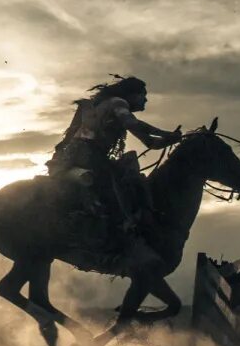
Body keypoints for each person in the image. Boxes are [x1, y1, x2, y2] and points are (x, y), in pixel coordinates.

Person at [46, 76, 181, 236]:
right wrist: (167, 134)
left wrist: (171, 140)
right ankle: (125, 223)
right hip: (89, 156)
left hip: (80, 155)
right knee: (123, 181)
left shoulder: (110, 110)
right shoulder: (118, 103)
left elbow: (150, 143)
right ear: (132, 94)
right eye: (143, 95)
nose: (145, 100)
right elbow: (133, 124)